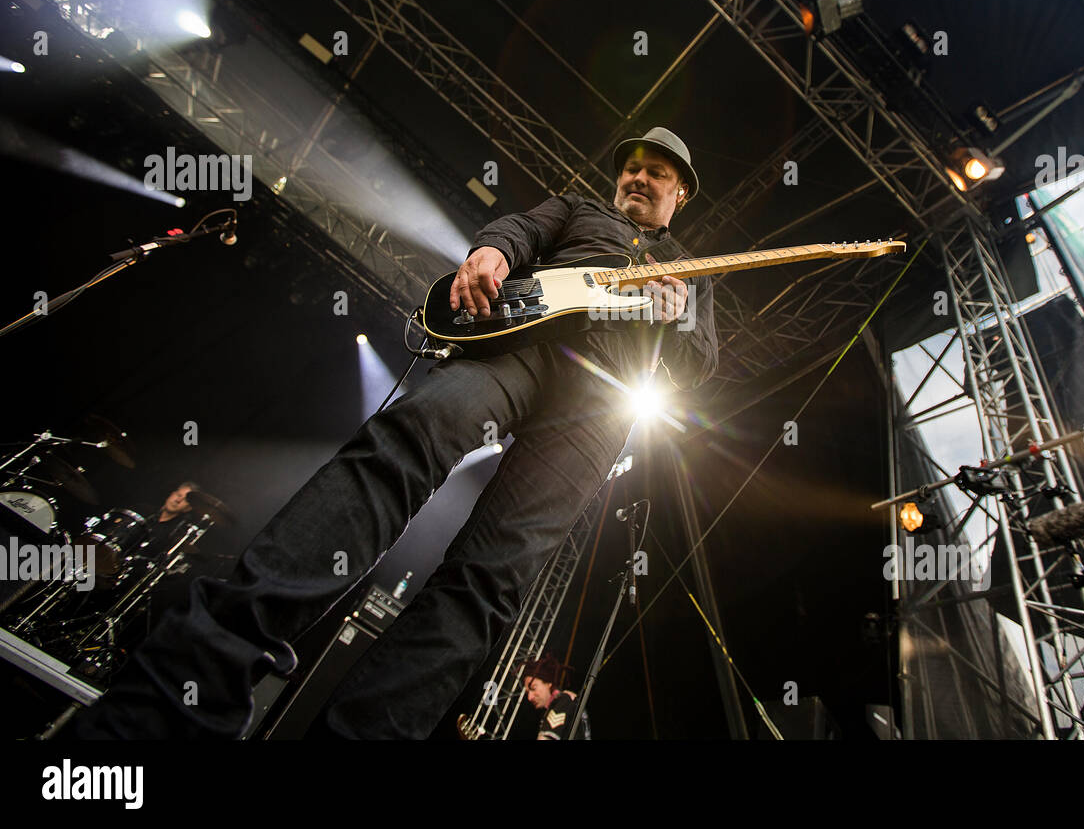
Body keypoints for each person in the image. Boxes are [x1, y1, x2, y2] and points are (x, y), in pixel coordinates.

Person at [72, 126, 717, 739]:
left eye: (655, 173)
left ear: (679, 193)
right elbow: (520, 230)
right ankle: (185, 689)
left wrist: (682, 316)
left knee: (496, 574)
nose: (637, 177)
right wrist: (490, 252)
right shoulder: (578, 208)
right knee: (405, 439)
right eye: (632, 167)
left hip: (601, 403)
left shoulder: (693, 270)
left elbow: (697, 366)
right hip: (518, 349)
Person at [523, 656, 588, 740]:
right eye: (527, 693)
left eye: (533, 688)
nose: (529, 697)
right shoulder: (557, 704)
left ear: (548, 683)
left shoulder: (564, 701)